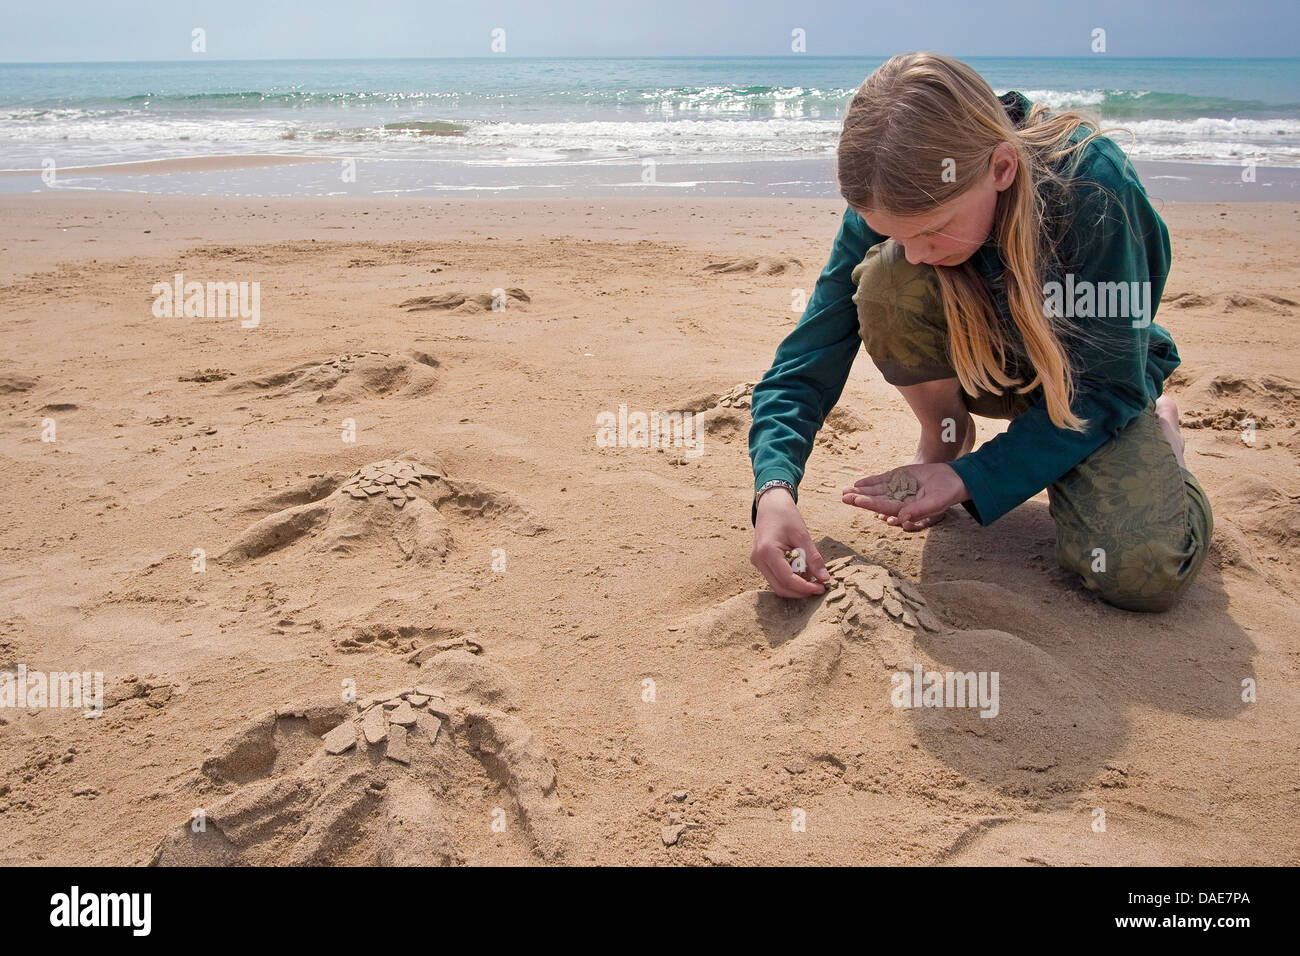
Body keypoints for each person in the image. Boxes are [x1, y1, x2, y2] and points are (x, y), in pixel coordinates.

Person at [748, 52, 1213, 613]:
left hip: (1092, 382)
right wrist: (774, 491)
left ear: (1000, 168)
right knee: (885, 278)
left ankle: (1166, 439)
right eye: (896, 233)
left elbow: (1106, 384)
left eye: (934, 231)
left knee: (1140, 571)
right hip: (985, 366)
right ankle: (945, 435)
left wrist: (972, 479)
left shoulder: (1093, 186)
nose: (915, 253)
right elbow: (808, 359)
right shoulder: (892, 201)